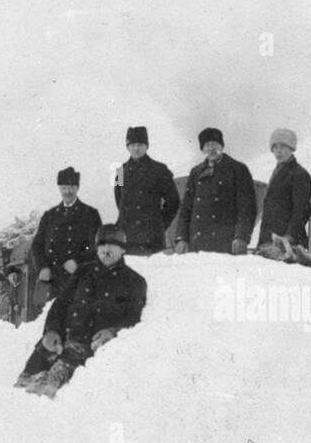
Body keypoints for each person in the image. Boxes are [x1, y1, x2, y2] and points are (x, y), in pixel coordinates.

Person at [15, 224, 147, 398]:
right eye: (102, 245)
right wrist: (51, 331)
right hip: (60, 339)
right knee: (20, 388)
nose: (106, 250)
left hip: (86, 348)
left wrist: (113, 332)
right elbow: (60, 304)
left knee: (44, 392)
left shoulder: (134, 281)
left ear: (122, 249)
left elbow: (133, 319)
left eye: (112, 245)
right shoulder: (83, 272)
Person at [174, 127, 256, 254]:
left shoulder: (238, 169)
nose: (211, 148)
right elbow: (186, 208)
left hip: (225, 243)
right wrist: (181, 238)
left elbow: (247, 208)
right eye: (207, 145)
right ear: (202, 149)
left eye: (215, 144)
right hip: (197, 243)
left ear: (222, 146)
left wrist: (241, 237)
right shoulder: (196, 172)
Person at [30, 167, 102, 312]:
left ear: (77, 188)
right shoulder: (49, 216)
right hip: (52, 280)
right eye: (64, 188)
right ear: (59, 188)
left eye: (71, 187)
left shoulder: (90, 214)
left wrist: (78, 263)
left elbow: (98, 247)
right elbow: (37, 245)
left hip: (78, 279)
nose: (68, 192)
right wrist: (43, 267)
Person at [115, 126, 180, 256]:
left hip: (151, 236)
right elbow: (119, 200)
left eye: (140, 144)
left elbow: (173, 201)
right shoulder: (121, 171)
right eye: (132, 145)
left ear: (147, 146)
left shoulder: (160, 170)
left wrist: (159, 225)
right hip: (127, 235)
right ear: (127, 147)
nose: (136, 148)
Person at [257, 128, 311, 247]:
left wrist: (290, 236)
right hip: (269, 238)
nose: (279, 151)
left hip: (287, 242)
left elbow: (302, 210)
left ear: (291, 148)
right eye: (275, 147)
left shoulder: (300, 174)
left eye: (283, 146)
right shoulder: (277, 171)